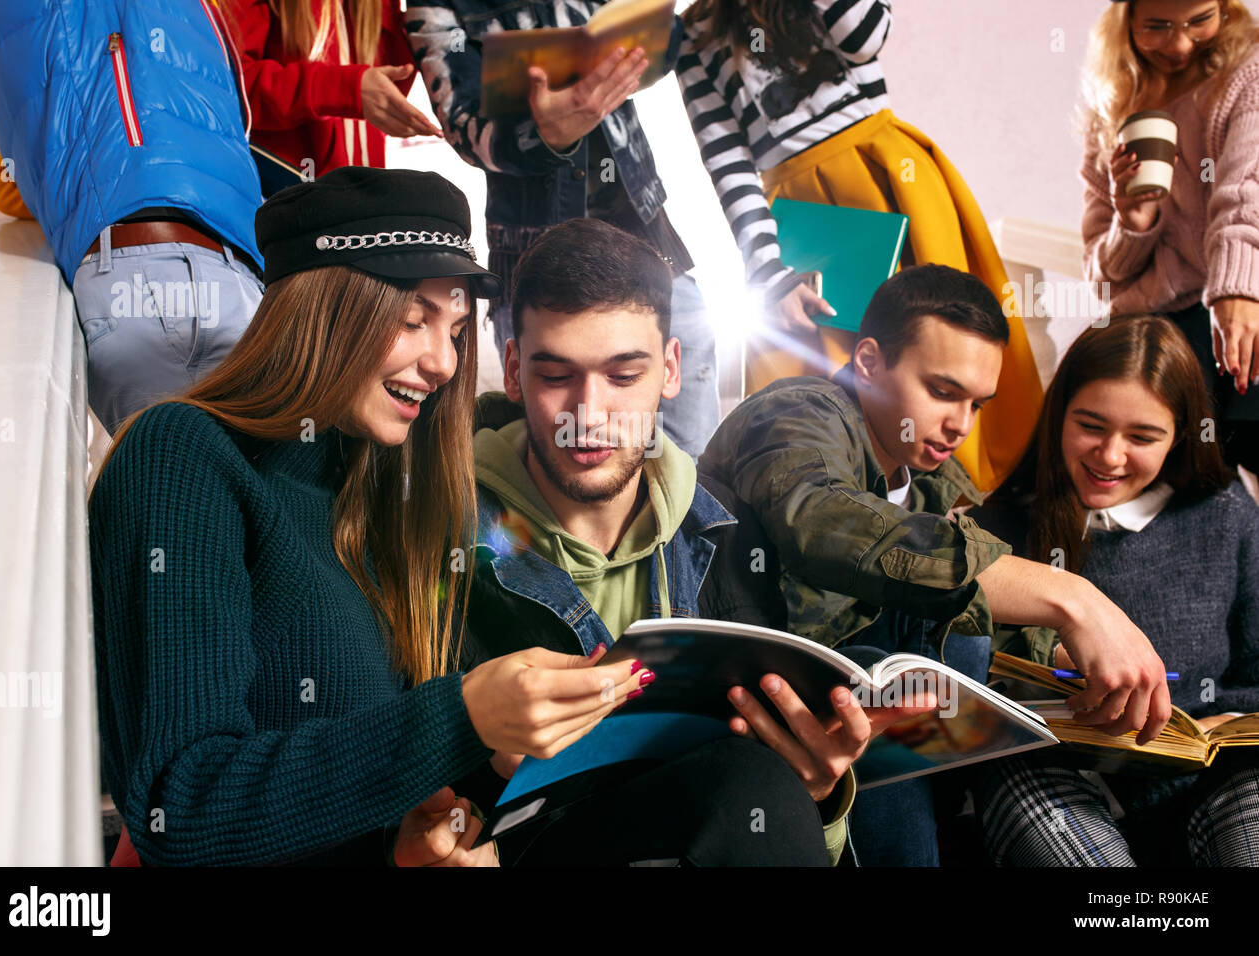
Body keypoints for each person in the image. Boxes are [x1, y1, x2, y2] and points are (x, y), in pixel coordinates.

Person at [92, 168, 651, 866]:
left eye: (454, 328)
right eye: (413, 320)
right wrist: (463, 714)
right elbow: (183, 806)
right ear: (326, 308)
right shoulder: (185, 455)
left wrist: (480, 781)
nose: (443, 362)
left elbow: (368, 782)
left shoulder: (386, 493)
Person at [458, 217, 934, 866]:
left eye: (624, 376)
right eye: (556, 376)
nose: (588, 414)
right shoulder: (450, 535)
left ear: (671, 370)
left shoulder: (729, 539)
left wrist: (818, 797)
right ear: (513, 371)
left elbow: (762, 810)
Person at [699, 264, 1175, 863]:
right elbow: (820, 522)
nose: (960, 425)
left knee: (946, 661)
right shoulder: (798, 412)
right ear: (869, 360)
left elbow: (971, 604)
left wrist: (1071, 662)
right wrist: (1073, 599)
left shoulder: (934, 481)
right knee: (886, 676)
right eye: (943, 392)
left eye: (977, 404)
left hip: (864, 725)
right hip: (747, 706)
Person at [677, 0, 1042, 492]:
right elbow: (729, 166)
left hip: (886, 178)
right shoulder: (692, 33)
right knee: (818, 365)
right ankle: (846, 514)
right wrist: (770, 274)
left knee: (939, 349)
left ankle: (955, 501)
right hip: (801, 220)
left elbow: (865, 36)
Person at [969, 315, 1259, 866]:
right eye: (1091, 426)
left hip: (1207, 778)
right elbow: (971, 681)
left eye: (1143, 437)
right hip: (1050, 772)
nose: (1109, 456)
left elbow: (1256, 673)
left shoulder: (1226, 513)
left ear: (1179, 437)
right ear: (1060, 414)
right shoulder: (994, 530)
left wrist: (1219, 723)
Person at [404, 0, 721, 459]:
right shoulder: (437, 7)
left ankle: (691, 527)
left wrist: (644, 36)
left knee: (688, 412)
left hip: (642, 227)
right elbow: (467, 129)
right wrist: (547, 134)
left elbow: (667, 42)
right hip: (536, 250)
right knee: (564, 451)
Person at [0, 0, 266, 434]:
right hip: (230, 280)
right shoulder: (191, 19)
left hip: (155, 281)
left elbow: (16, 185)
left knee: (171, 493)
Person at [1079, 0, 1259, 474]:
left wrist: (1237, 288)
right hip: (1158, 322)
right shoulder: (1110, 109)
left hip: (1236, 299)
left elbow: (1246, 191)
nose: (1179, 44)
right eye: (1156, 26)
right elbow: (1100, 272)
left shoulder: (1248, 75)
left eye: (1200, 21)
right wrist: (1133, 222)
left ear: (1226, 8)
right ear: (1126, 19)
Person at [227, 0, 442, 191]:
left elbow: (389, 82)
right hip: (284, 200)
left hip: (360, 201)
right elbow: (228, 85)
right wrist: (344, 89)